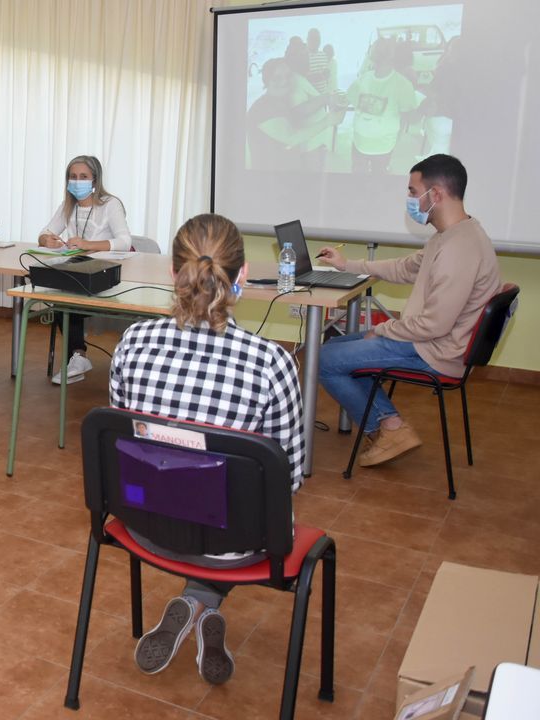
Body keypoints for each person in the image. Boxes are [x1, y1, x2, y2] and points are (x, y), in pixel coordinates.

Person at [109, 213, 304, 685]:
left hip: (144, 526)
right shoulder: (271, 363)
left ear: (173, 274)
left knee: (198, 496)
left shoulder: (132, 343)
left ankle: (195, 600)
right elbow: (290, 477)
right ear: (241, 277)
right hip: (234, 545)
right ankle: (201, 598)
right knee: (235, 509)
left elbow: (122, 444)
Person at [317, 154, 500, 467]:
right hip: (429, 341)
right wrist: (348, 265)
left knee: (324, 359)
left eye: (414, 192)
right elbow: (406, 267)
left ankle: (389, 428)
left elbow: (435, 324)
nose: (410, 200)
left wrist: (383, 330)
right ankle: (388, 424)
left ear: (437, 195)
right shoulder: (451, 236)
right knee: (335, 346)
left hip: (435, 350)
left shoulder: (459, 248)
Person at [38, 155, 132, 384]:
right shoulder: (68, 206)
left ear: (95, 180)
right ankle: (77, 356)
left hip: (105, 271)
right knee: (59, 291)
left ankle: (77, 356)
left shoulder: (110, 204)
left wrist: (89, 245)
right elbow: (45, 232)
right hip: (77, 270)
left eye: (83, 177)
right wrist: (45, 240)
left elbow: (124, 241)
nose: (76, 181)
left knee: (68, 292)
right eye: (72, 177)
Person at [346, 38, 418, 174]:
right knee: (366, 178)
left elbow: (411, 118)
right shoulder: (365, 78)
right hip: (362, 143)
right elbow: (349, 98)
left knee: (372, 178)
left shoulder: (402, 84)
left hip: (381, 145)